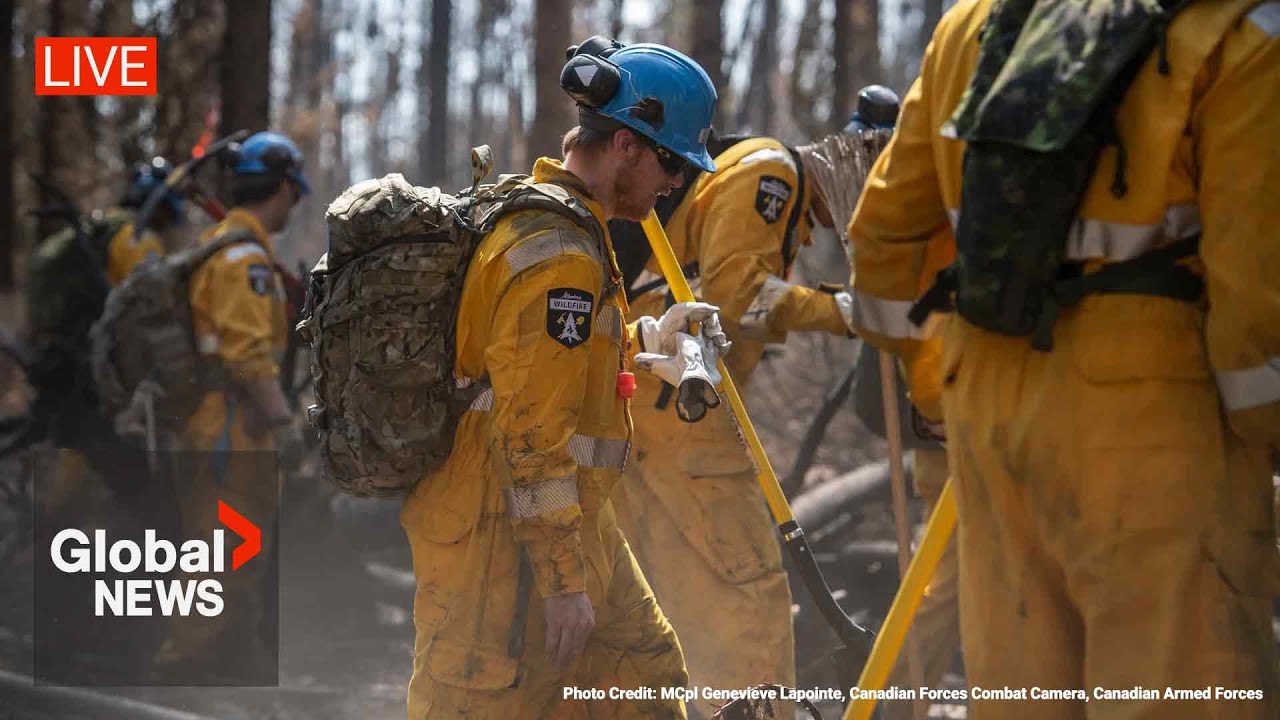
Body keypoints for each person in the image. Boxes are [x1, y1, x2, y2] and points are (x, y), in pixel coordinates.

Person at [847, 1, 1280, 719]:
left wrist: (938, 390)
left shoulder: (970, 24)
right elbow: (1257, 307)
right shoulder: (1237, 29)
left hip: (984, 399)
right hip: (1154, 422)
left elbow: (884, 236)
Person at [399, 42, 729, 720]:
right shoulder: (558, 252)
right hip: (503, 534)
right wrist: (560, 580)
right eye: (671, 161)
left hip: (574, 519)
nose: (675, 184)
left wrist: (651, 341)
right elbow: (527, 427)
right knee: (482, 700)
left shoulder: (573, 230)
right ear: (627, 147)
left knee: (645, 677)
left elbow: (547, 365)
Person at [605, 85, 904, 715]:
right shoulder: (772, 174)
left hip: (645, 402)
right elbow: (739, 296)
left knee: (666, 595)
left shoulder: (759, 175)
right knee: (749, 586)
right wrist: (846, 311)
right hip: (682, 405)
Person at [152, 130, 310, 676]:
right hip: (231, 436)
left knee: (233, 560)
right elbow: (247, 358)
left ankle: (231, 674)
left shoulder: (224, 245)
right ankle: (177, 673)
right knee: (215, 566)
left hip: (219, 430)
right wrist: (285, 424)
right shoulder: (245, 261)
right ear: (283, 187)